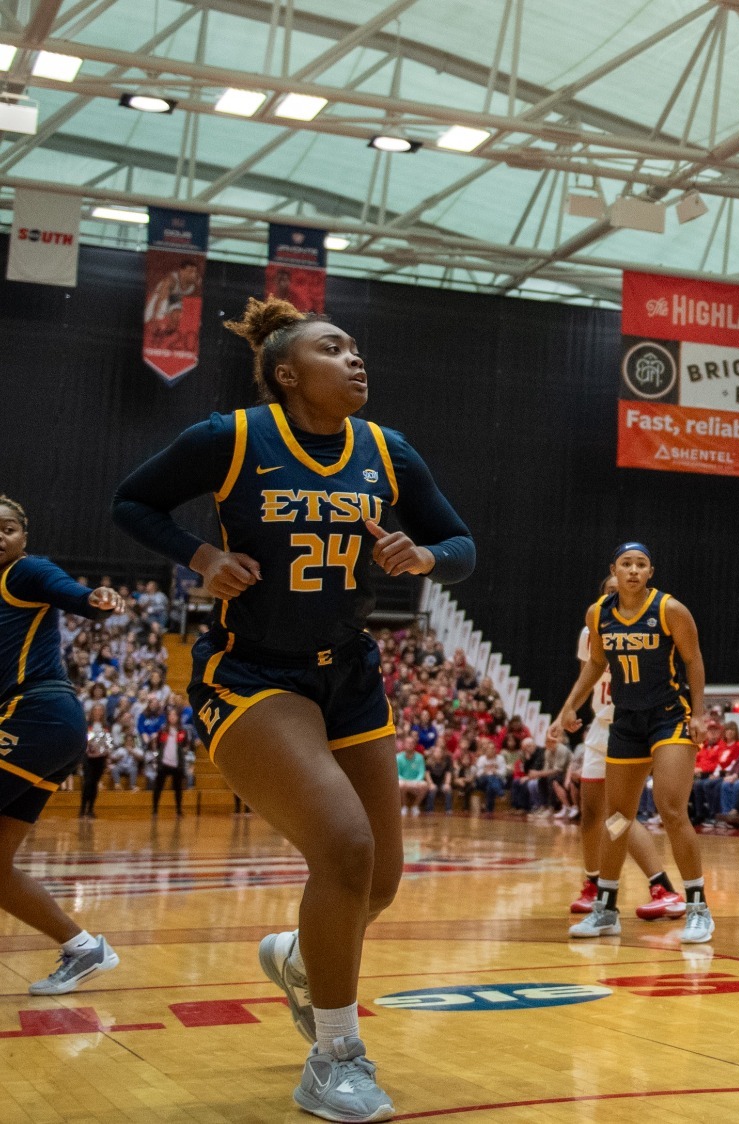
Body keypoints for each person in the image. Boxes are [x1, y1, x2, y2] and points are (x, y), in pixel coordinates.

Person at [111, 296, 476, 1122]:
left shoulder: (388, 452)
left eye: (356, 349)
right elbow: (132, 502)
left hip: (348, 675)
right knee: (343, 848)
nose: (355, 360)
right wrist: (201, 554)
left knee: (379, 882)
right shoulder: (233, 438)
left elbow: (461, 546)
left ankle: (300, 960)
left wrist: (424, 553)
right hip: (251, 672)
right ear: (286, 373)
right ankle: (334, 1055)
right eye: (333, 348)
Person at [555, 545, 710, 945]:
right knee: (617, 817)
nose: (634, 570)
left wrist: (700, 713)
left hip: (669, 717)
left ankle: (697, 909)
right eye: (627, 564)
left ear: (650, 572)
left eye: (641, 564)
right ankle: (606, 910)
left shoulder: (670, 610)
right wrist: (568, 707)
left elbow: (693, 660)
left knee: (672, 809)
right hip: (625, 721)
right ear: (614, 570)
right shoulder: (598, 614)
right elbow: (595, 664)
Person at [0, 496, 124, 995]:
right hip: (40, 726)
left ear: (23, 535)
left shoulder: (26, 572)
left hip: (37, 715)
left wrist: (92, 598)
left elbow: (66, 591)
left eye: (6, 528)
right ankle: (83, 948)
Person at [564, 576, 684, 924]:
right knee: (591, 813)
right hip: (601, 726)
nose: (617, 594)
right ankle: (592, 883)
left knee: (617, 816)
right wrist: (566, 712)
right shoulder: (593, 631)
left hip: (633, 723)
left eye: (621, 590)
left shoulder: (649, 626)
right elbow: (587, 674)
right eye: (610, 591)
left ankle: (662, 888)